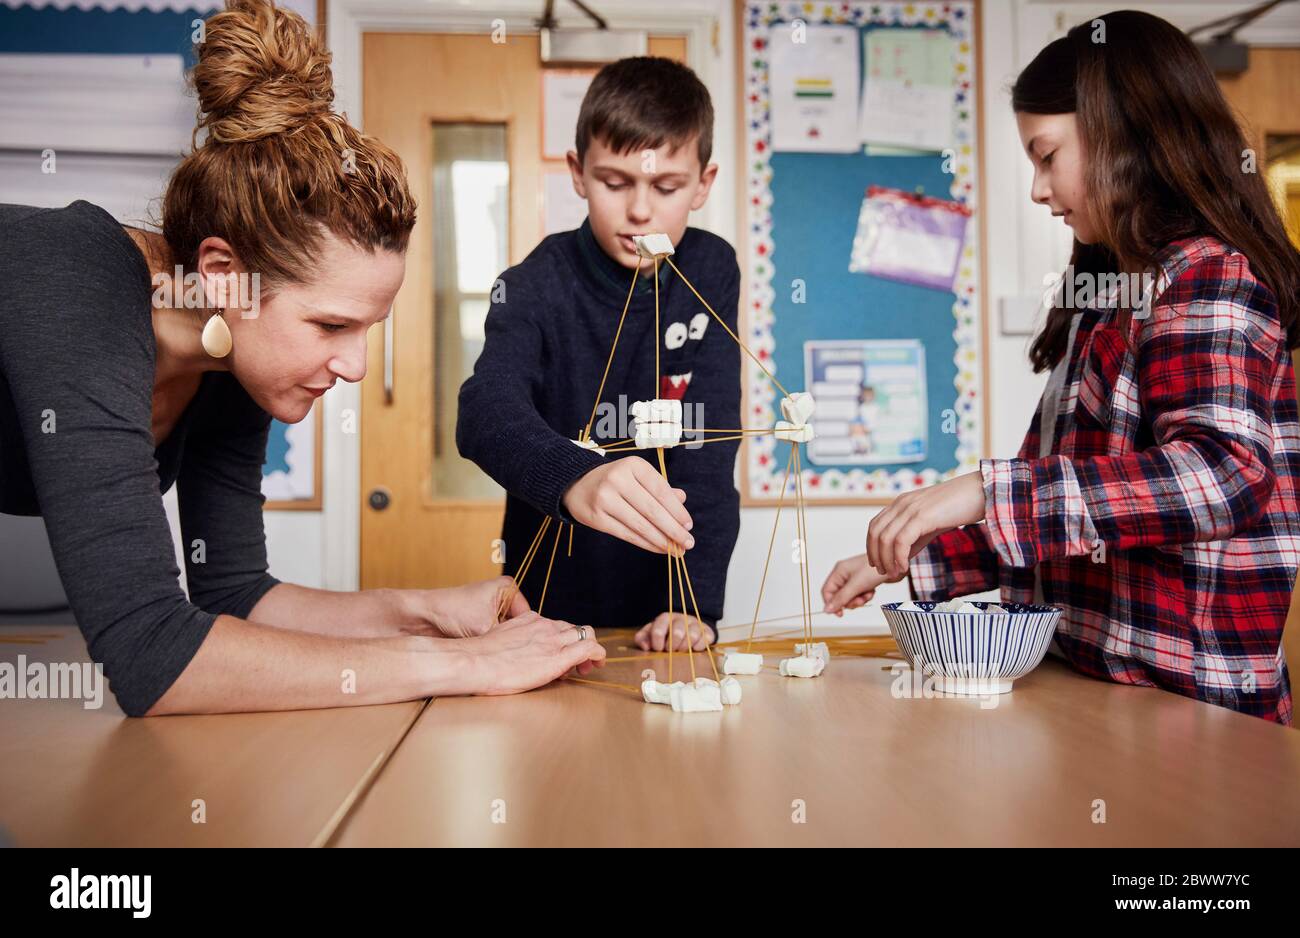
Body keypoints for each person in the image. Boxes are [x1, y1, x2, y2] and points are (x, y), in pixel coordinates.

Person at [0, 0, 604, 717]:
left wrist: (426, 611)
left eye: (369, 327)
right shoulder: (72, 277)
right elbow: (152, 655)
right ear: (221, 271)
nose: (353, 366)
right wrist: (462, 662)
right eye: (330, 324)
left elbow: (235, 595)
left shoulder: (229, 356)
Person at [821, 10, 1300, 723]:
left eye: (1047, 157)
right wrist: (917, 562)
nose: (1040, 190)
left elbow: (1223, 472)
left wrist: (985, 490)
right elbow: (1069, 521)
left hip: (1198, 716)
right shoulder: (1107, 301)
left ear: (1125, 134)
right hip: (1095, 694)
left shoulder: (1209, 278)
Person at [457, 57, 742, 653]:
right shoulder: (533, 283)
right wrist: (576, 475)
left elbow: (709, 452)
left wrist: (696, 606)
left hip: (669, 606)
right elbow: (484, 411)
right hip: (547, 604)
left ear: (704, 184)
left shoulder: (712, 269)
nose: (641, 212)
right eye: (615, 183)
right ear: (578, 173)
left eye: (667, 187)